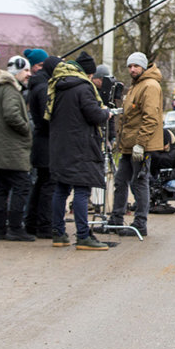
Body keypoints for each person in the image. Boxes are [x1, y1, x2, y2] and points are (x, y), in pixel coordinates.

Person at [48, 52, 112, 250]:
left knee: (61, 189)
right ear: (88, 73)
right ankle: (83, 236)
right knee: (82, 190)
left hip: (60, 145)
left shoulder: (58, 85)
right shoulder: (83, 88)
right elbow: (93, 114)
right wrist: (106, 113)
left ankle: (58, 233)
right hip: (80, 147)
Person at [107, 52, 163, 237]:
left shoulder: (150, 86)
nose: (132, 69)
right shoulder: (135, 85)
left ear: (143, 67)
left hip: (140, 146)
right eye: (130, 66)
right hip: (128, 145)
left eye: (136, 66)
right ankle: (116, 220)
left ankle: (140, 223)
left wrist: (141, 144)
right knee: (120, 181)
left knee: (139, 182)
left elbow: (151, 118)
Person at [0, 55, 35, 241]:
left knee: (1, 187)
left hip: (1, 150)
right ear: (18, 71)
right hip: (12, 151)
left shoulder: (2, 89)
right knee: (22, 185)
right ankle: (15, 227)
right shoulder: (11, 90)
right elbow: (12, 115)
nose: (29, 74)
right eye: (27, 70)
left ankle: (0, 229)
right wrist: (27, 129)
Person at [25, 55, 61, 238]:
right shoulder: (43, 89)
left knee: (41, 183)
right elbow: (47, 119)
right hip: (46, 143)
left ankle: (32, 222)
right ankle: (43, 225)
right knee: (48, 184)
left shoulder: (38, 86)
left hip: (41, 142)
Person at [149, 128, 175, 214]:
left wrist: (166, 176)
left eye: (165, 146)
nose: (163, 148)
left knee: (174, 185)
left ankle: (164, 201)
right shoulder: (150, 147)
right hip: (152, 177)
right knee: (137, 180)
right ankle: (146, 200)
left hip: (169, 179)